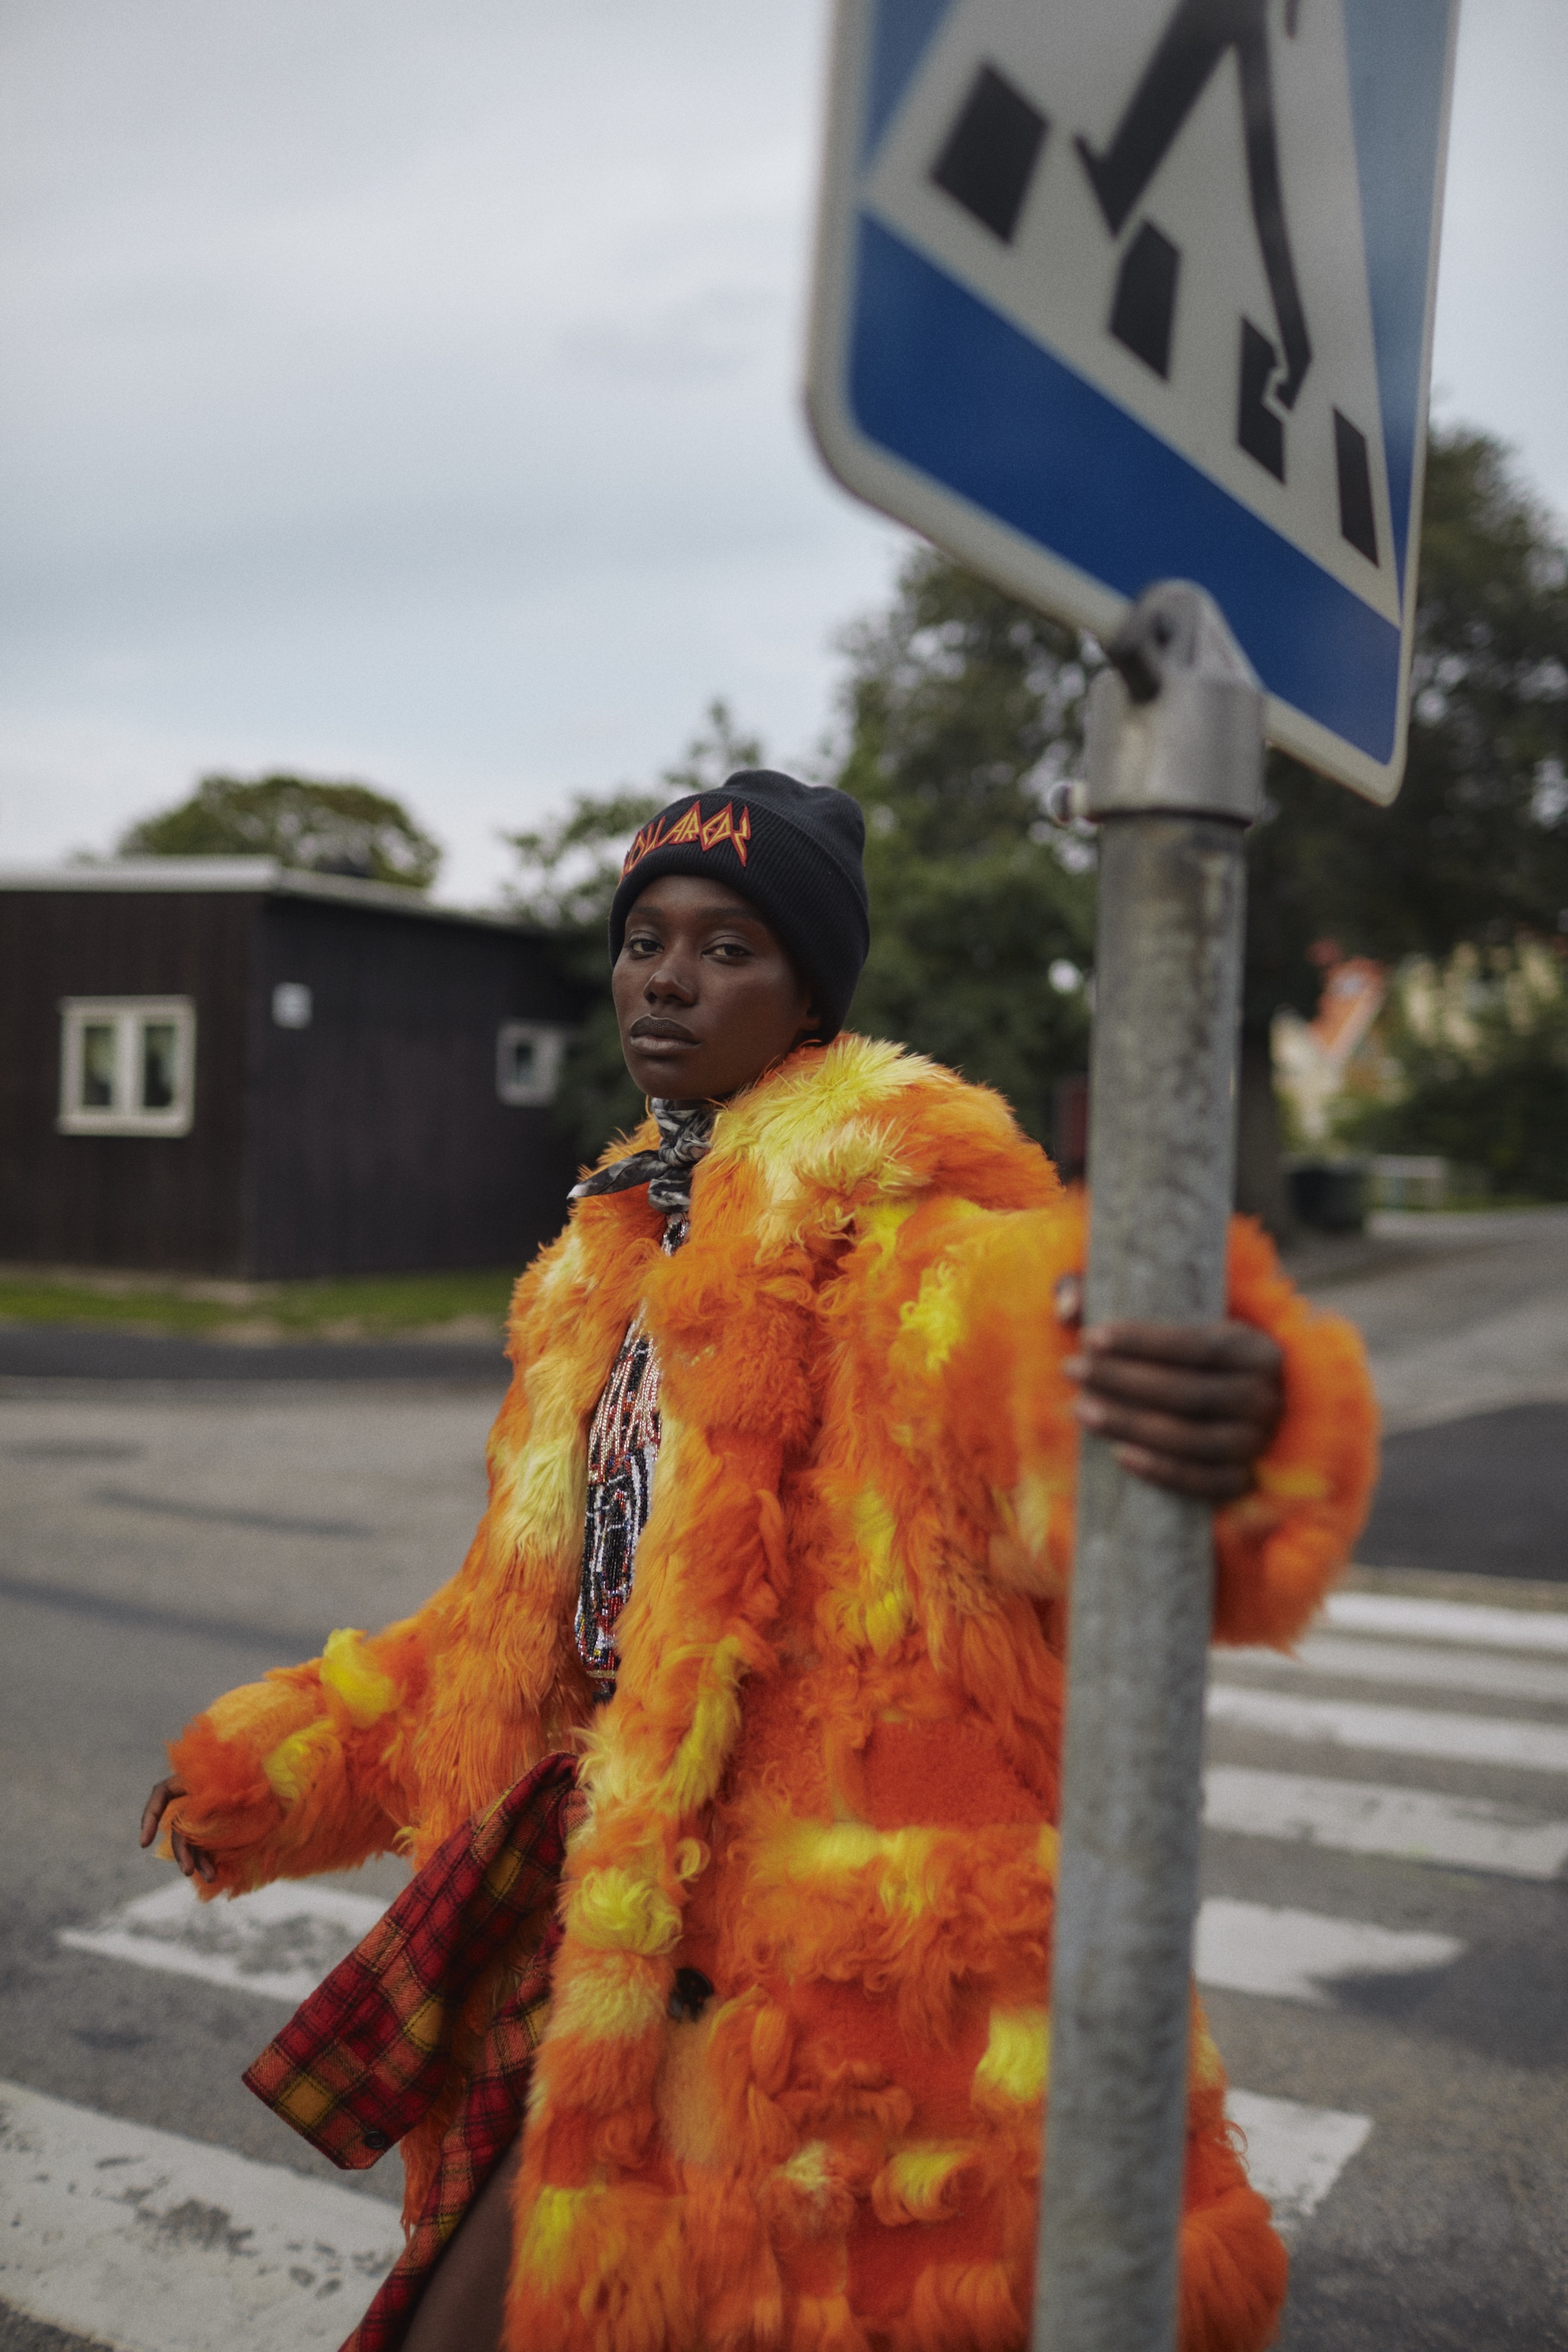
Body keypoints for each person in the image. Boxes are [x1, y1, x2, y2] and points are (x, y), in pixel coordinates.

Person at [140, 771, 1376, 2352]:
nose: (667, 975)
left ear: (808, 992)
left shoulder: (911, 1242)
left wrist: (1224, 1409)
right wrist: (276, 1757)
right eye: (644, 937)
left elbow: (1059, 1368)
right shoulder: (594, 1275)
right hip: (615, 1943)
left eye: (728, 946)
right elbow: (521, 1636)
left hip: (846, 2009)